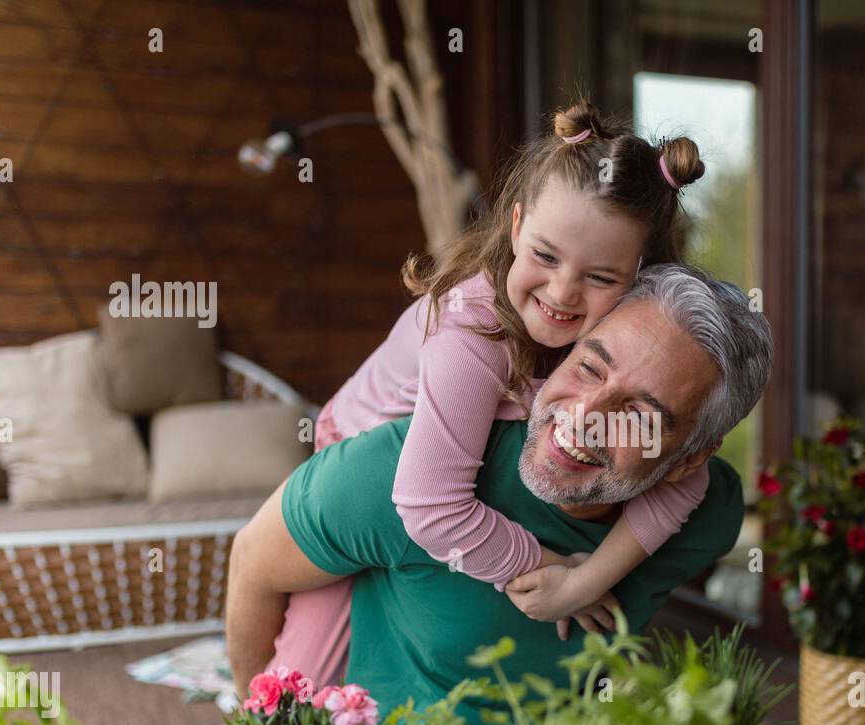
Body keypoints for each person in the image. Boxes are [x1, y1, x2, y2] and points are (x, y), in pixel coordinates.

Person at [226, 263, 773, 725]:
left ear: (687, 461)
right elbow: (252, 563)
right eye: (588, 367)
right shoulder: (404, 473)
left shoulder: (707, 517)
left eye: (637, 415)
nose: (585, 417)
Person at [268, 100, 711, 689]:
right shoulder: (474, 336)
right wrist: (547, 569)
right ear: (517, 225)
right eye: (545, 256)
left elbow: (691, 479)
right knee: (307, 687)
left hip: (438, 486)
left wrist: (587, 581)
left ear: (642, 276)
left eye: (601, 277)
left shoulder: (621, 344)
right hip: (359, 465)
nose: (562, 292)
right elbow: (429, 504)